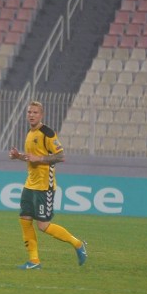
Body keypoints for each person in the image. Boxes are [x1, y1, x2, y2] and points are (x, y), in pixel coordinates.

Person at [8, 100, 87, 269]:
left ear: (41, 115)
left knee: (43, 226)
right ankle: (34, 261)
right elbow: (32, 157)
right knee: (24, 220)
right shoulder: (30, 133)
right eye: (29, 112)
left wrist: (41, 159)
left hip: (45, 187)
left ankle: (78, 244)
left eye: (35, 112)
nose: (31, 115)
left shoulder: (48, 133)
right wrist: (19, 156)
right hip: (30, 185)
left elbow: (60, 156)